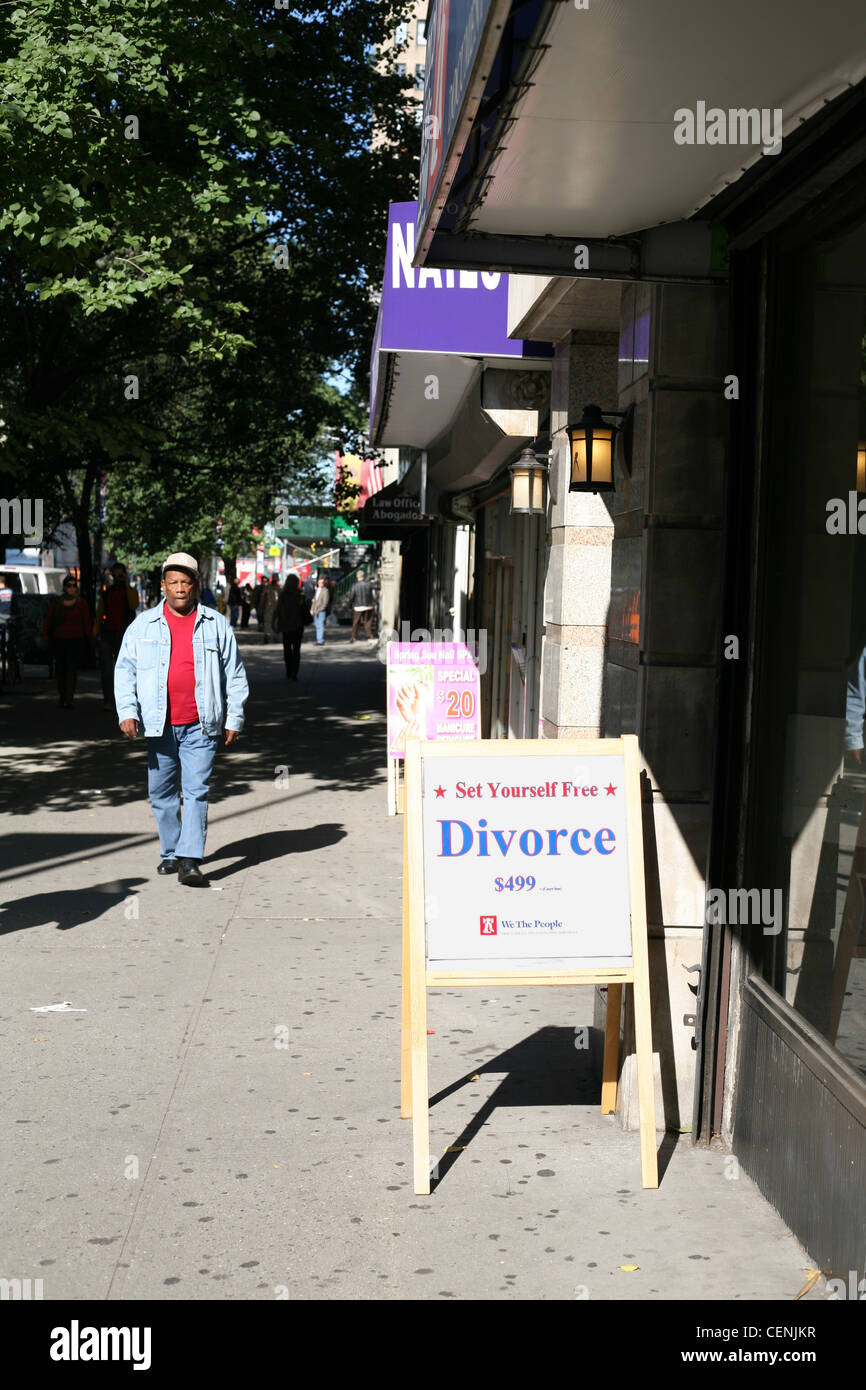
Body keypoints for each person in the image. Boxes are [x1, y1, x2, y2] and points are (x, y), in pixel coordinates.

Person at [114, 552, 249, 887]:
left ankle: (190, 859)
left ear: (195, 585)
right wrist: (127, 711)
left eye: (185, 583)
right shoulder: (142, 625)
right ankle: (171, 852)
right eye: (172, 583)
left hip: (200, 723)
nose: (178, 589)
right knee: (161, 793)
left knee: (196, 790)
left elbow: (234, 674)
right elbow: (124, 671)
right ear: (163, 586)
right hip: (159, 724)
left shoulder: (215, 624)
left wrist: (235, 717)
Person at [92, 562, 139, 711]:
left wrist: (126, 585)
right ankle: (108, 700)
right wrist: (95, 633)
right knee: (106, 670)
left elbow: (133, 605)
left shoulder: (131, 591)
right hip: (108, 634)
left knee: (126, 669)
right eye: (116, 575)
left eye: (121, 575)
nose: (118, 578)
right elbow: (99, 614)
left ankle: (124, 701)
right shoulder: (107, 593)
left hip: (126, 636)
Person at [42, 574, 92, 707]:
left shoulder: (81, 603)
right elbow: (48, 619)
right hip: (59, 640)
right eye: (68, 585)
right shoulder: (56, 602)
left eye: (74, 585)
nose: (71, 588)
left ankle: (68, 699)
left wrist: (89, 638)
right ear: (64, 587)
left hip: (75, 640)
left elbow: (86, 622)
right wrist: (45, 634)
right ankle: (62, 696)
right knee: (60, 669)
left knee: (71, 669)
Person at [274, 573, 310, 679]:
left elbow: (278, 609)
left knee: (287, 649)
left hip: (286, 625)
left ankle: (288, 671)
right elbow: (303, 608)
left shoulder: (283, 594)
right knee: (296, 650)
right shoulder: (299, 594)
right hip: (298, 625)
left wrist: (274, 622)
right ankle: (294, 672)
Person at [349, 569, 376, 642]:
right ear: (363, 576)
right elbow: (376, 588)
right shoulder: (369, 584)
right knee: (367, 622)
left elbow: (351, 596)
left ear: (357, 576)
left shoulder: (355, 585)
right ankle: (369, 635)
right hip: (368, 606)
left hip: (358, 607)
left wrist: (350, 605)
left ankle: (353, 637)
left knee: (356, 622)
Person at [260, 575, 281, 644]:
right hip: (276, 608)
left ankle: (267, 636)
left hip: (268, 608)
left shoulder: (267, 588)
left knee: (268, 623)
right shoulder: (279, 589)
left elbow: (263, 599)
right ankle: (275, 637)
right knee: (275, 623)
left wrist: (261, 608)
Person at [311, 574, 330, 646]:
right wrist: (312, 609)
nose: (320, 584)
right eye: (319, 583)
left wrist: (319, 609)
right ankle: (318, 639)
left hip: (321, 611)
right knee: (317, 625)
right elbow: (314, 601)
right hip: (315, 610)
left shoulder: (325, 591)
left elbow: (325, 603)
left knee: (320, 625)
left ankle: (320, 640)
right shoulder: (317, 590)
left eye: (322, 583)